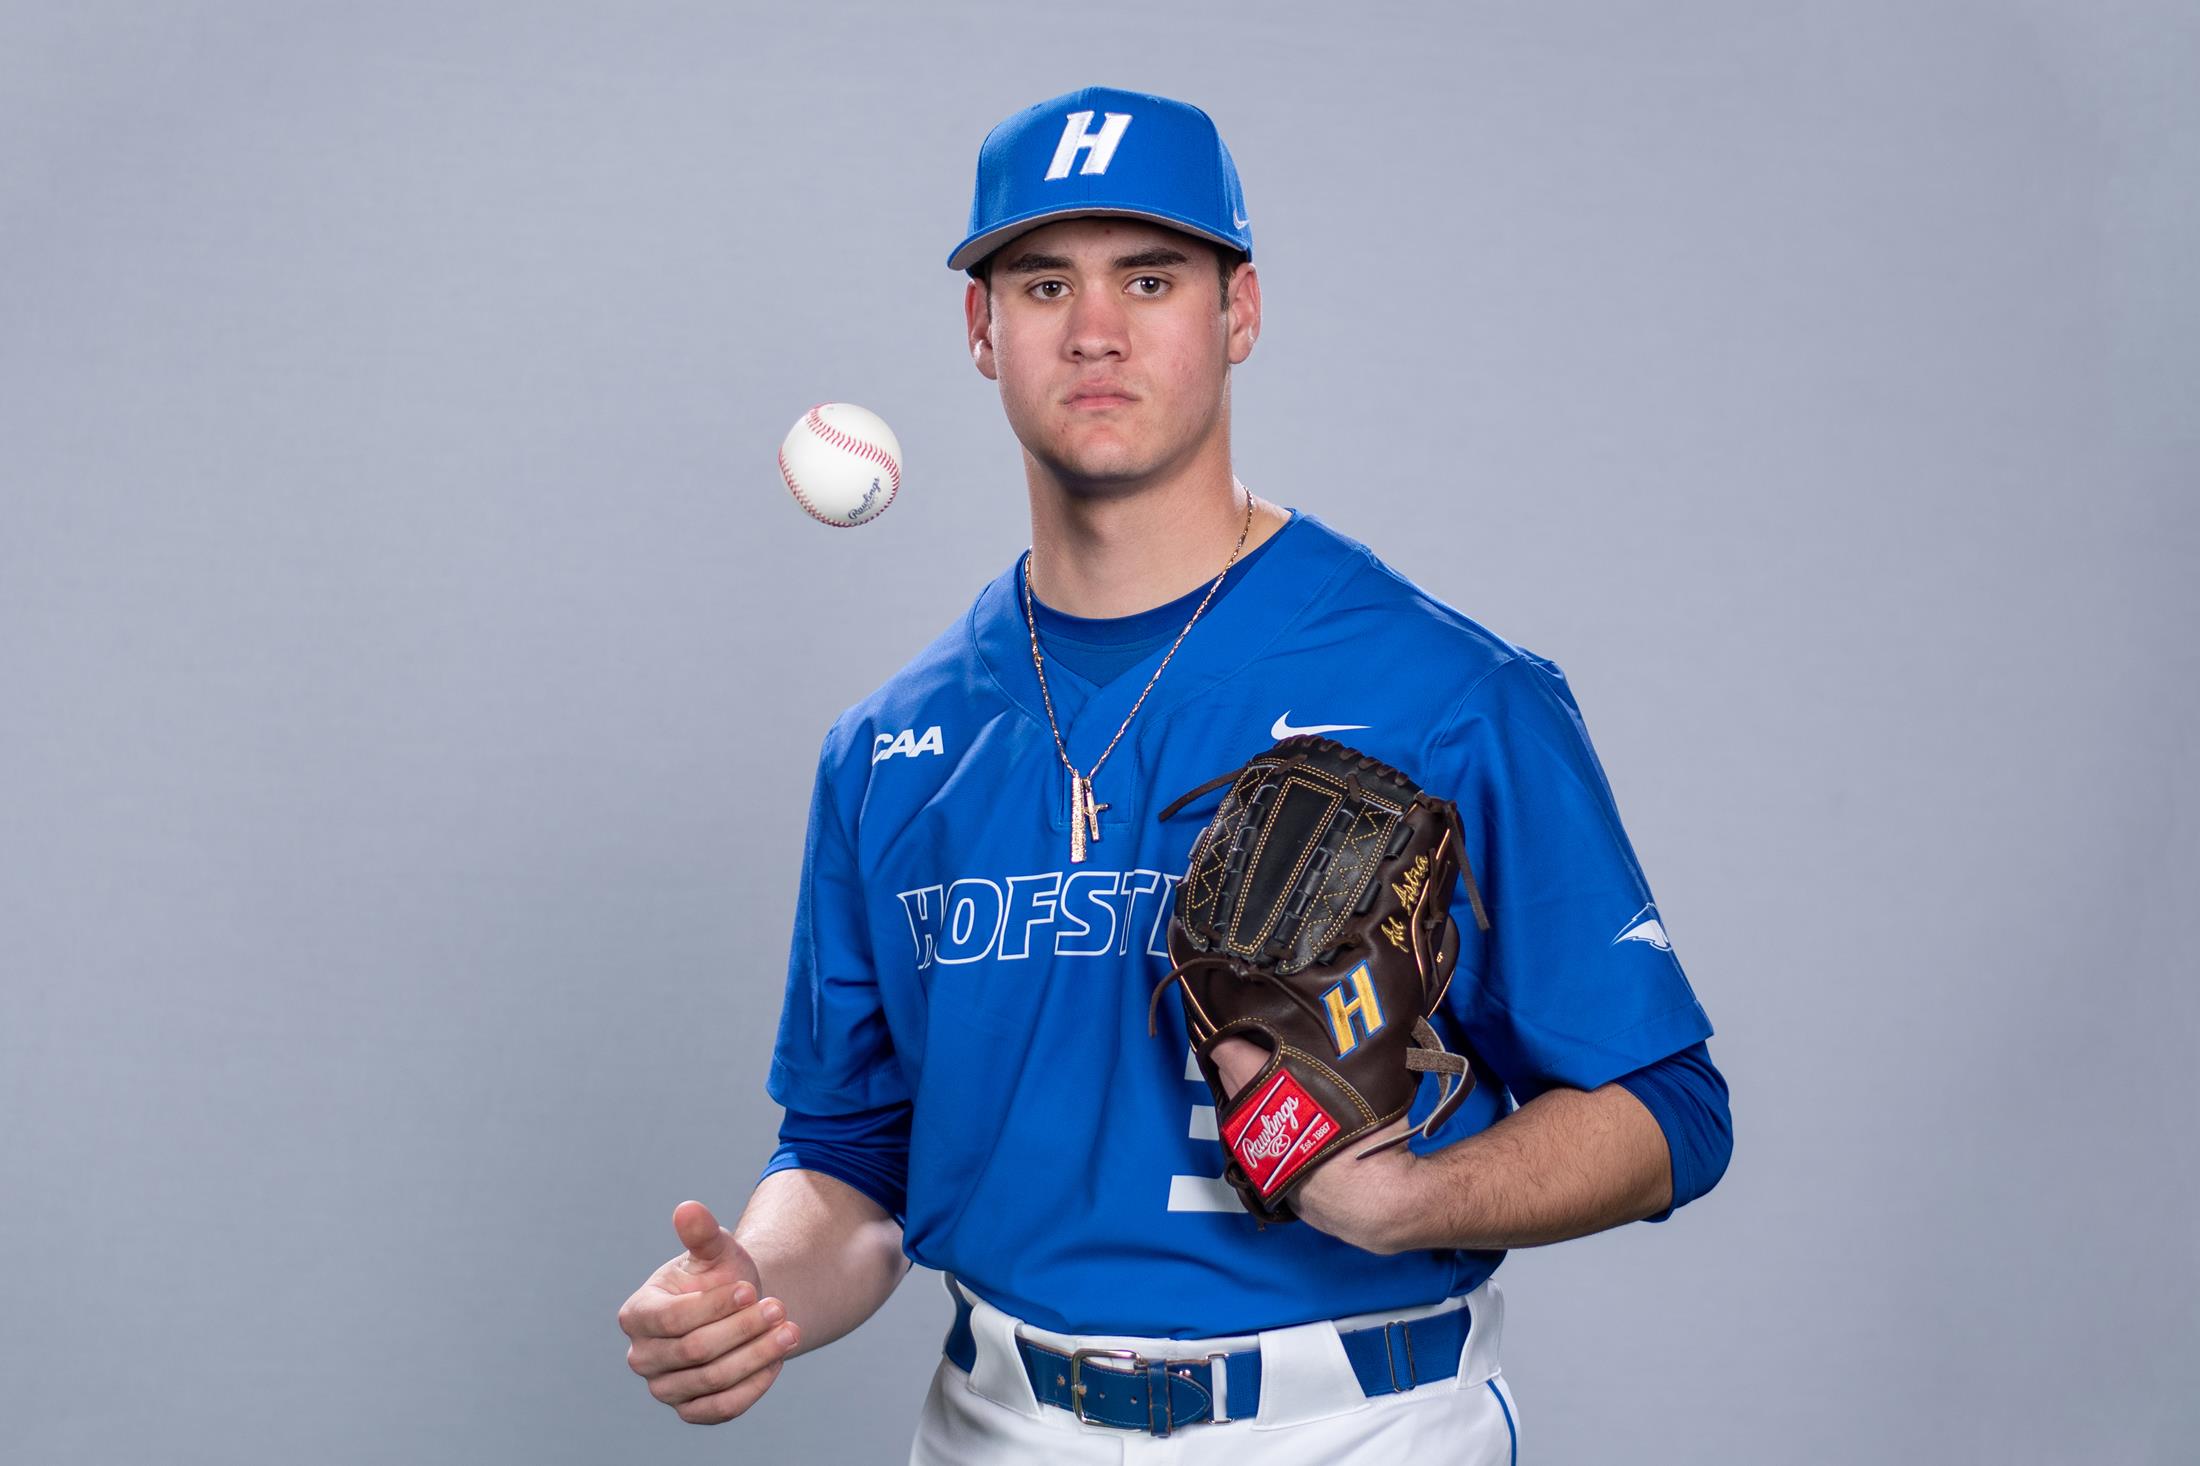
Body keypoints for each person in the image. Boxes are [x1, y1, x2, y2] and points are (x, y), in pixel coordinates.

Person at [617, 85, 1734, 1462]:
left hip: (1354, 1425)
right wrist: (758, 1287)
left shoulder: (1442, 694)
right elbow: (854, 1154)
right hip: (1000, 1423)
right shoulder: (890, 748)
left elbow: (1672, 1108)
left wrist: (1412, 1201)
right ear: (983, 330)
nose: (1095, 330)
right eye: (1042, 284)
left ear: (1238, 313)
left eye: (1151, 277)